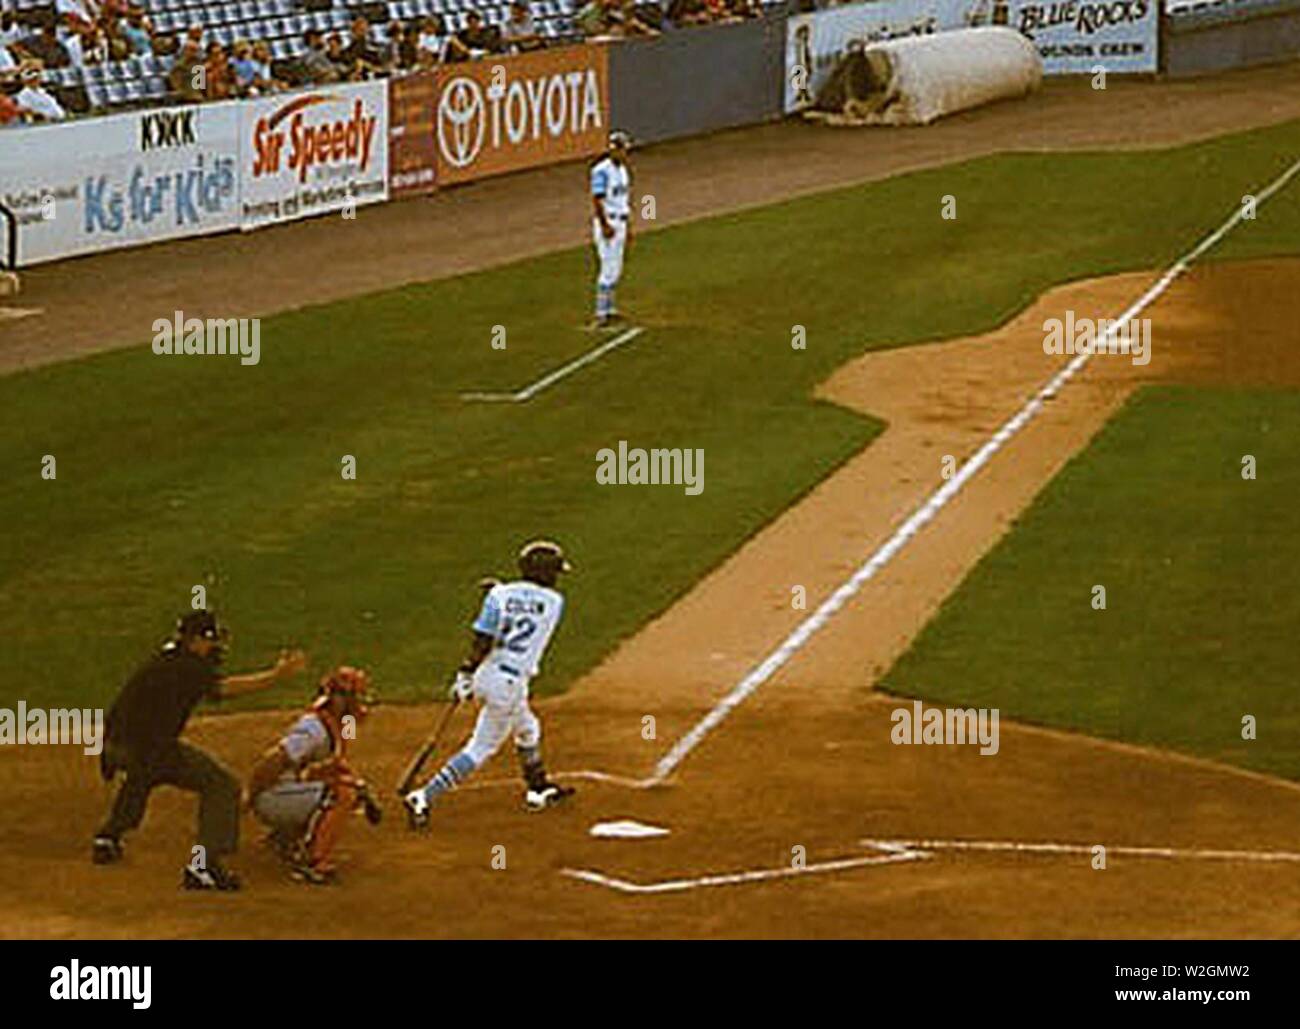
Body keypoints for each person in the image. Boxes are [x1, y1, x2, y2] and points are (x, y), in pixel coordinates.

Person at [92, 611, 306, 891]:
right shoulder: (190, 667)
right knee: (222, 785)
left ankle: (108, 837)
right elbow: (224, 689)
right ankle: (204, 864)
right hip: (144, 747)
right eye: (211, 641)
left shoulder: (167, 657)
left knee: (145, 772)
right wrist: (275, 676)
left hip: (116, 744)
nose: (216, 648)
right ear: (195, 641)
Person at [402, 541, 575, 828]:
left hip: (486, 674)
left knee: (528, 728)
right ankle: (424, 796)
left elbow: (483, 637)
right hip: (508, 685)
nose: (557, 577)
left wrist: (465, 674)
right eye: (554, 572)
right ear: (544, 573)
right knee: (480, 748)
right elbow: (530, 606)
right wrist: (497, 591)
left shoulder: (499, 596)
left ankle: (538, 788)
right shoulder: (555, 602)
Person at [248, 667, 382, 885]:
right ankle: (312, 863)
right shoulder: (314, 729)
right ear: (339, 700)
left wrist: (360, 785)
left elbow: (337, 762)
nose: (361, 703)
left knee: (348, 789)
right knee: (341, 795)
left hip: (289, 792)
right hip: (273, 798)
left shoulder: (343, 722)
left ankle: (284, 840)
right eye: (356, 697)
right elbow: (272, 761)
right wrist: (249, 796)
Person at [589, 130, 633, 328]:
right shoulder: (601, 171)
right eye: (623, 150)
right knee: (608, 267)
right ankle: (600, 313)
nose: (625, 154)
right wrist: (605, 224)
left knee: (616, 267)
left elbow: (624, 200)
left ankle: (610, 309)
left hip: (620, 222)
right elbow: (597, 200)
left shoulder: (623, 171)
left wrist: (628, 226)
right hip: (609, 223)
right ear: (613, 150)